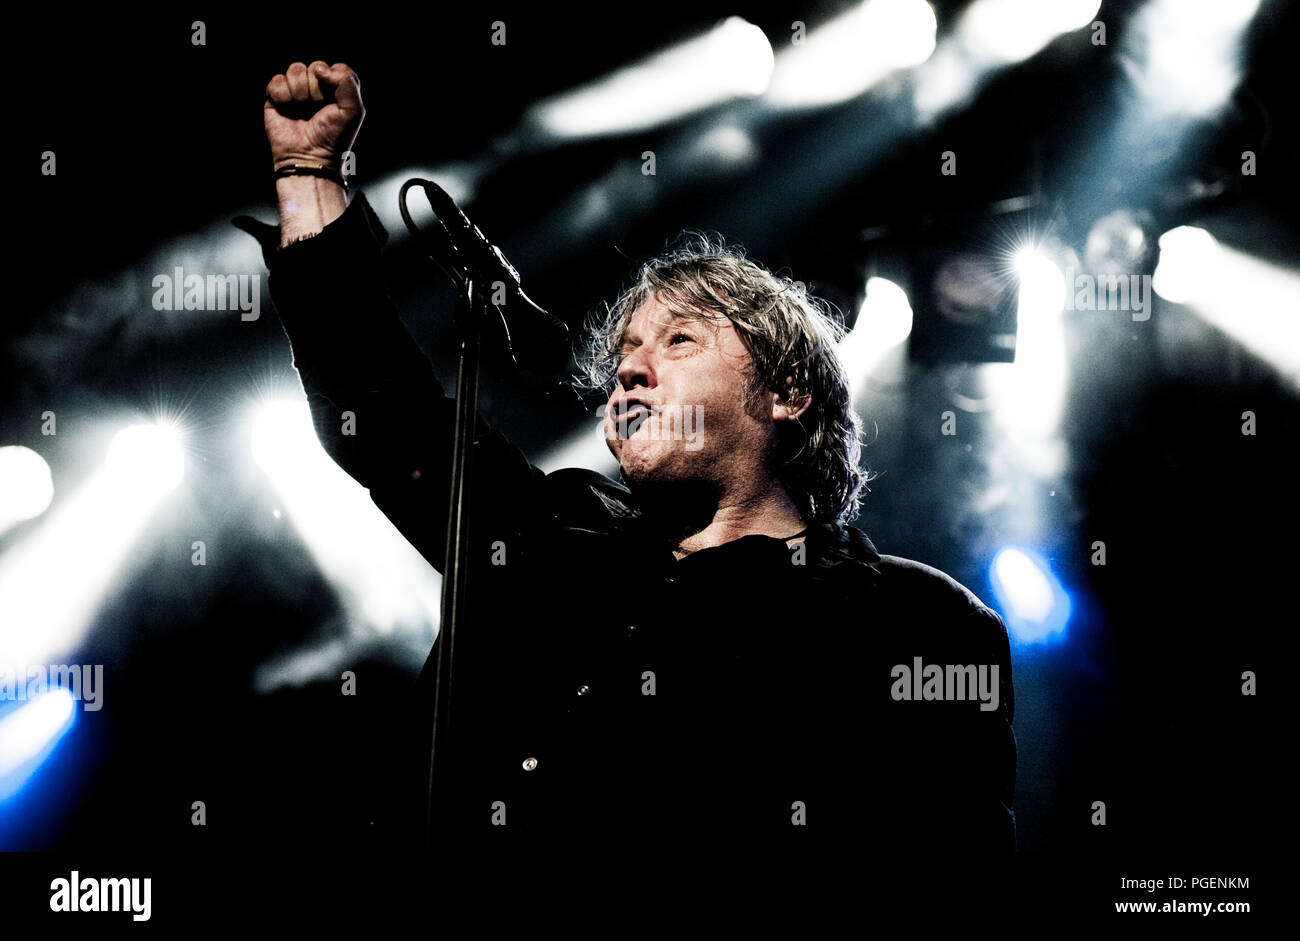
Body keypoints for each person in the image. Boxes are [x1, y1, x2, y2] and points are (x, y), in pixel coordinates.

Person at [235, 61, 1016, 860]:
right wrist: (306, 177)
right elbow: (385, 414)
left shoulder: (915, 624)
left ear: (786, 393)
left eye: (678, 340)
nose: (631, 369)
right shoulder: (548, 544)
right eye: (625, 353)